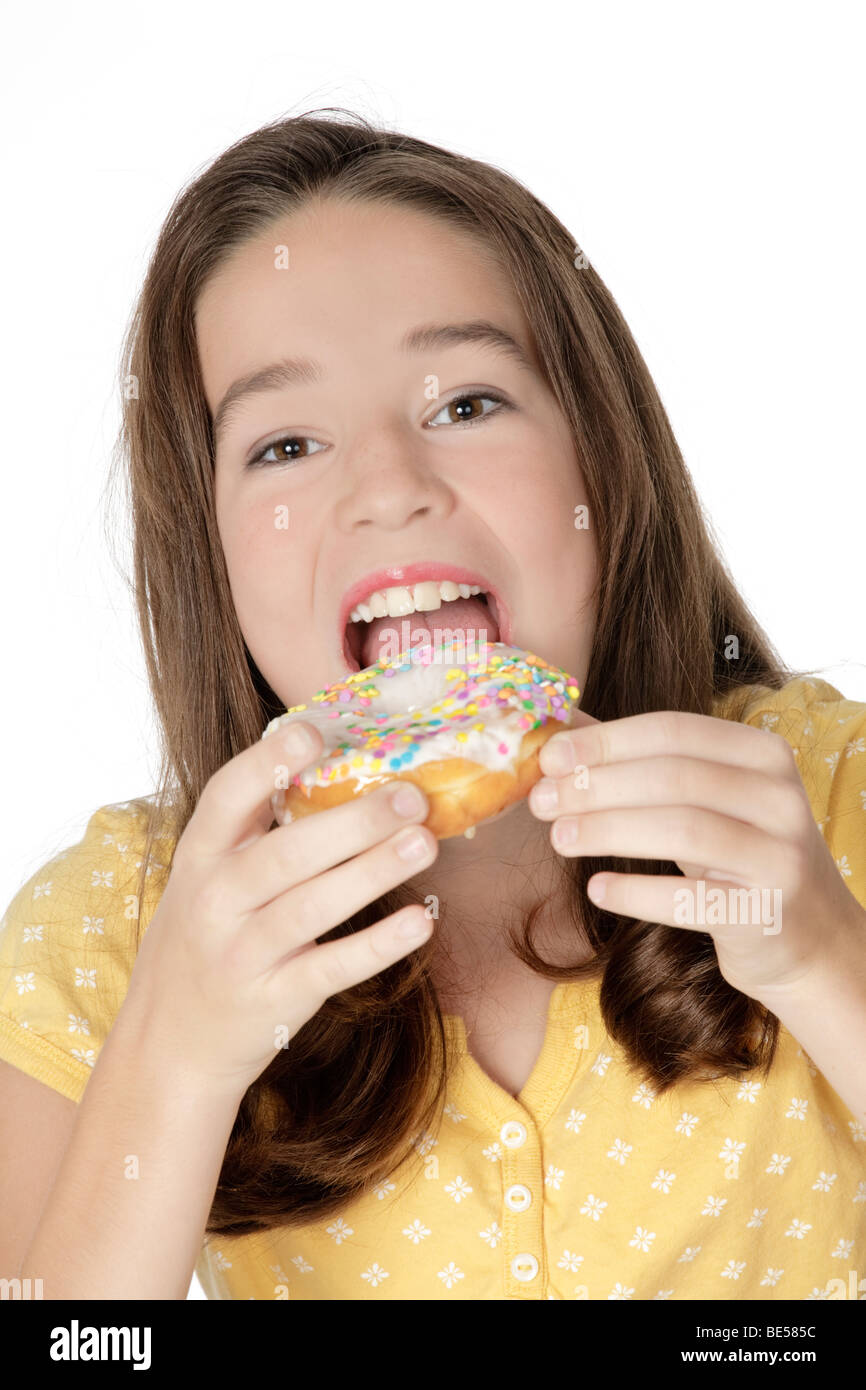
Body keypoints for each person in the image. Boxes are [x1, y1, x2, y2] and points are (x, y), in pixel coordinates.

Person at [1, 110, 864, 1302]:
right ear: (210, 548)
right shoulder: (114, 931)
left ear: (600, 458)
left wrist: (830, 961)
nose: (388, 489)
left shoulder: (831, 795)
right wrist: (178, 1059)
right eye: (285, 442)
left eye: (464, 404)